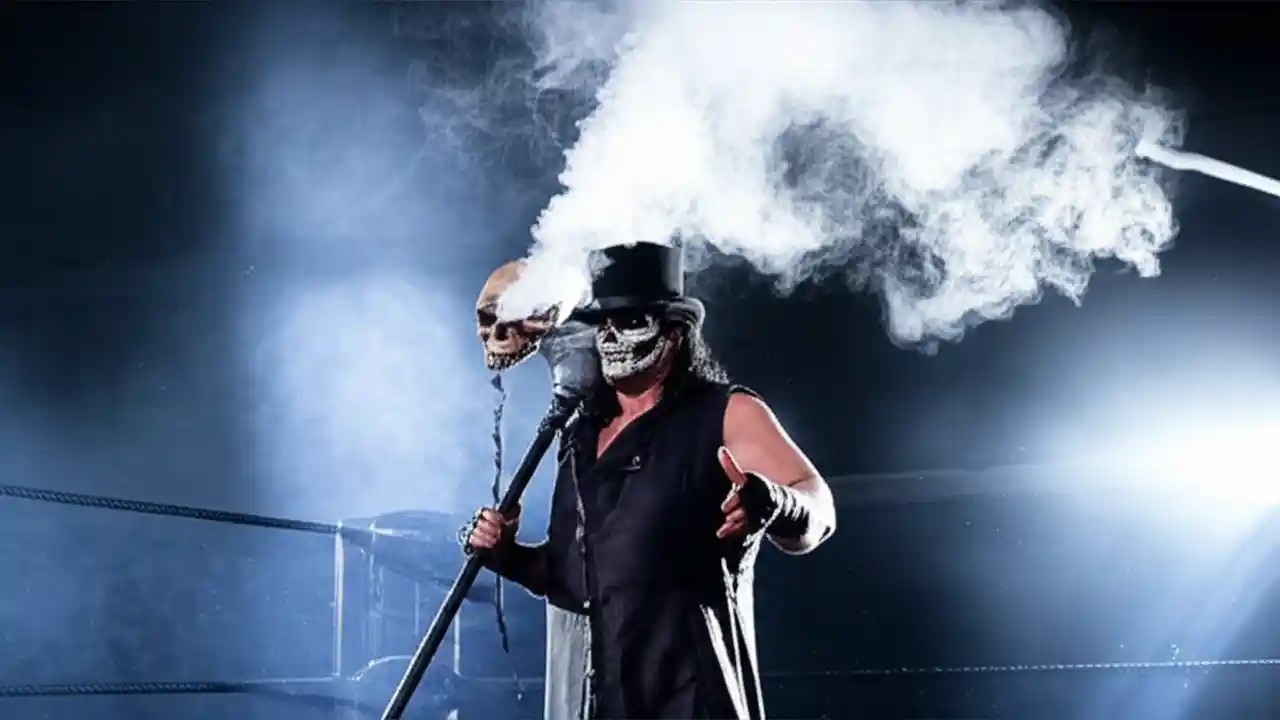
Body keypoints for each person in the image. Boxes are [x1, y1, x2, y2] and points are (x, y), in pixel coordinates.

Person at [462, 242, 836, 719]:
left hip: (684, 699)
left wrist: (776, 503)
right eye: (603, 323)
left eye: (632, 321)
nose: (612, 337)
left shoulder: (724, 414)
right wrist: (507, 556)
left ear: (676, 332)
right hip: (588, 702)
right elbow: (572, 579)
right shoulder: (580, 431)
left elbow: (820, 510)